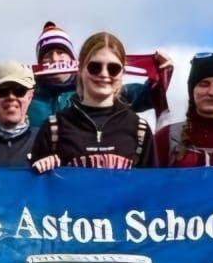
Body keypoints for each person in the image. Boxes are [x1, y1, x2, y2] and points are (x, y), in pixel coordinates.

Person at [34, 31, 151, 171]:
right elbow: (36, 189)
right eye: (95, 67)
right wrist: (42, 167)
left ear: (122, 73)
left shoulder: (140, 129)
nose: (104, 74)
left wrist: (161, 76)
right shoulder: (53, 128)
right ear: (80, 70)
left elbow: (153, 188)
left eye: (113, 68)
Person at [0, 62, 39, 169]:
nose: (11, 96)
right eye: (2, 91)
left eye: (19, 90)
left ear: (30, 96)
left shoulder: (45, 140)